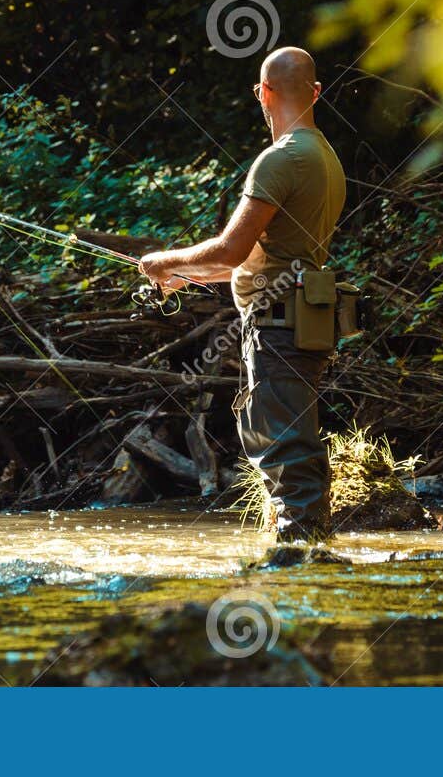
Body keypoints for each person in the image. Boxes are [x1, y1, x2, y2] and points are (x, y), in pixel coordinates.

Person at [138, 47, 346, 542]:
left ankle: (302, 558)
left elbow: (232, 250)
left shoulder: (280, 159)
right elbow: (268, 254)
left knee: (282, 444)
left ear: (263, 93)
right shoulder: (325, 156)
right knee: (290, 437)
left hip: (278, 321)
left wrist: (162, 261)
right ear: (316, 93)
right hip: (306, 311)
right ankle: (308, 550)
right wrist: (188, 277)